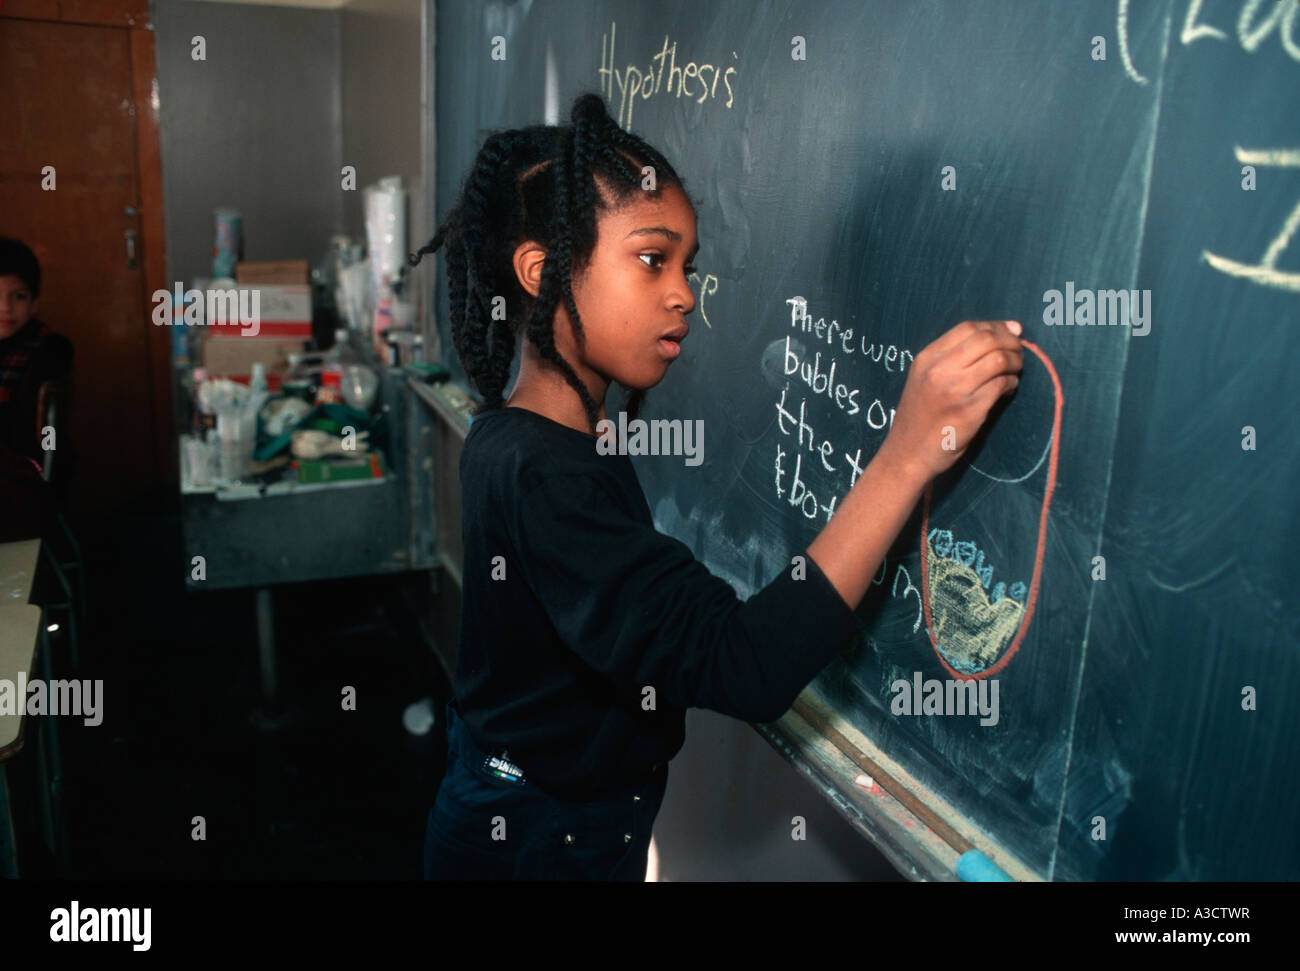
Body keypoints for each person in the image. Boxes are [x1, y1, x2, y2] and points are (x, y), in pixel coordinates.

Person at [408, 93, 1023, 881]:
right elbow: (746, 663)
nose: (684, 293)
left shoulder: (525, 438)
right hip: (535, 845)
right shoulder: (544, 475)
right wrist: (905, 455)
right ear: (541, 272)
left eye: (687, 265)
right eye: (650, 258)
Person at [0, 237, 73, 541]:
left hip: (22, 470)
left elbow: (24, 431)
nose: (5, 308)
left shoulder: (50, 349)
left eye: (17, 297)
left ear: (35, 302)